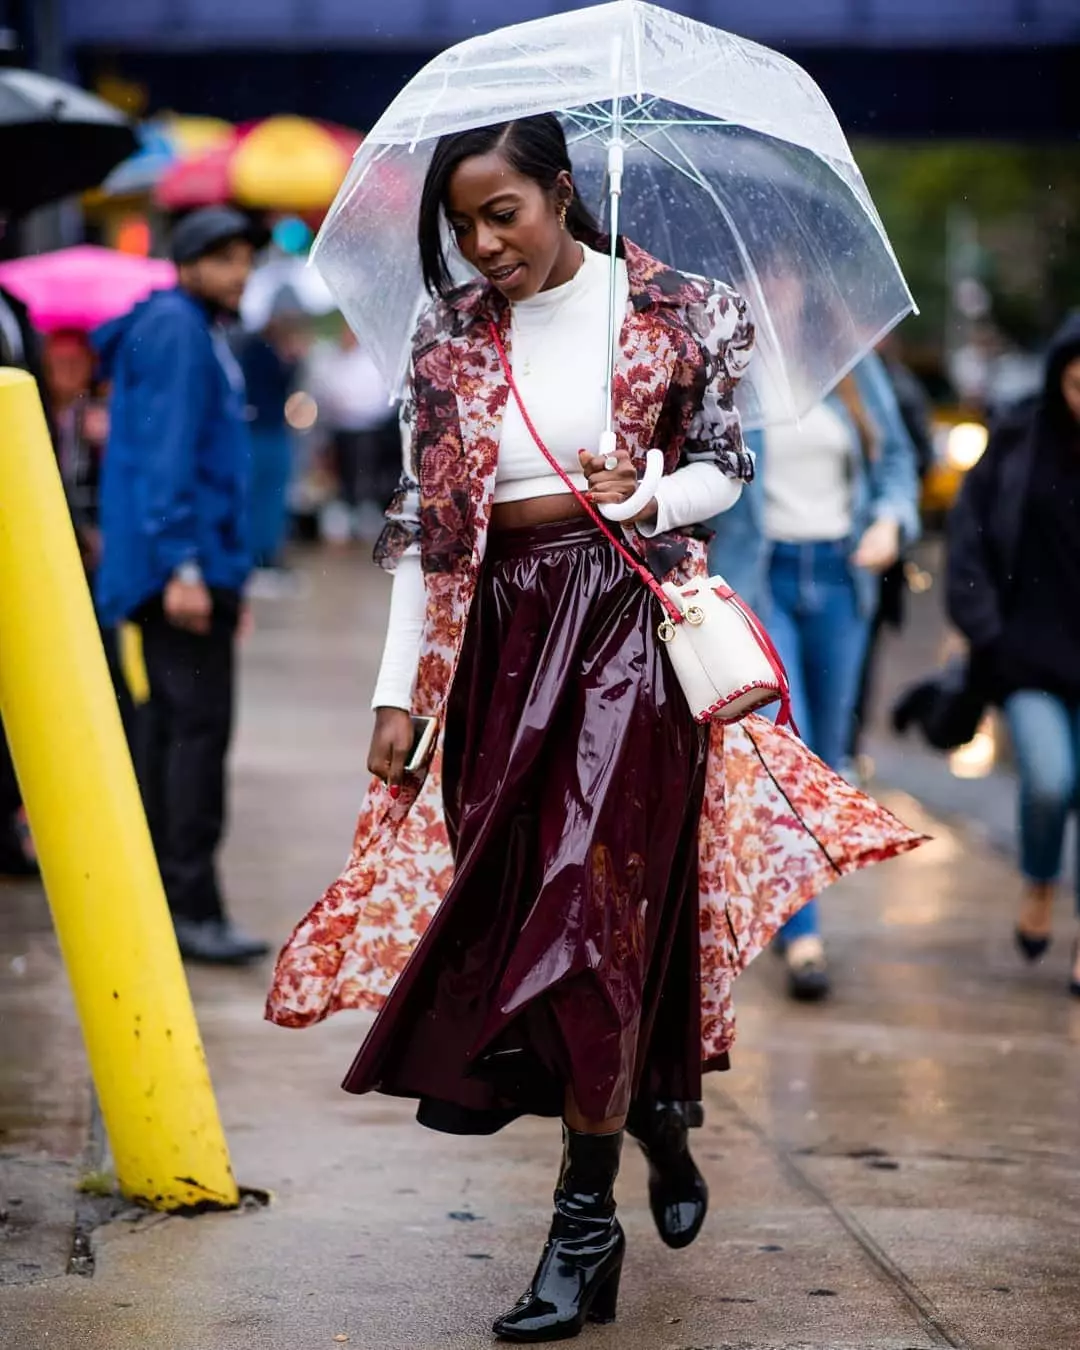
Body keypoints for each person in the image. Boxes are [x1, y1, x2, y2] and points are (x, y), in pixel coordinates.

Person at [267, 115, 921, 1341]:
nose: (480, 243)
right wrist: (398, 690)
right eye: (460, 225)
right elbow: (427, 524)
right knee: (526, 905)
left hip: (626, 624)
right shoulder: (448, 331)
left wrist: (655, 489)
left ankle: (582, 1230)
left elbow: (726, 460)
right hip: (496, 645)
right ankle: (656, 1103)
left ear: (561, 192)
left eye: (500, 212)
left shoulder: (682, 309)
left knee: (586, 905)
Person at [708, 358, 921, 1001]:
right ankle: (804, 935)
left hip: (840, 577)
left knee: (826, 760)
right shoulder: (735, 375)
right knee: (786, 755)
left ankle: (792, 905)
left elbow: (896, 465)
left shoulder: (854, 370)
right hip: (763, 579)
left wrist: (890, 520)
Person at [93, 206, 269, 966]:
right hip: (180, 573)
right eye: (226, 259)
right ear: (189, 262)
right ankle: (188, 907)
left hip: (187, 565)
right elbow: (167, 457)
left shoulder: (189, 328)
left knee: (171, 732)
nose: (241, 274)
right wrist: (186, 567)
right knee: (194, 736)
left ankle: (167, 903)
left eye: (246, 260)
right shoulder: (177, 329)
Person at [946, 312, 1080, 996]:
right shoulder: (1022, 438)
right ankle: (1037, 882)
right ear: (1061, 375)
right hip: (1029, 657)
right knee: (1052, 782)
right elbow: (968, 537)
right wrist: (986, 632)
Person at [234, 287, 308, 583]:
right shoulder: (253, 346)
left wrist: (292, 362)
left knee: (275, 495)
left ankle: (268, 551)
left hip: (275, 430)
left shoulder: (280, 349)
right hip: (255, 431)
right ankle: (255, 555)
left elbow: (287, 389)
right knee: (256, 495)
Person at [304, 319, 397, 542]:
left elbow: (382, 395)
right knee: (341, 477)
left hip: (368, 428)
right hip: (340, 428)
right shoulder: (331, 360)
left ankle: (366, 513)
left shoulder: (371, 360)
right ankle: (343, 518)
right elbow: (322, 391)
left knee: (366, 475)